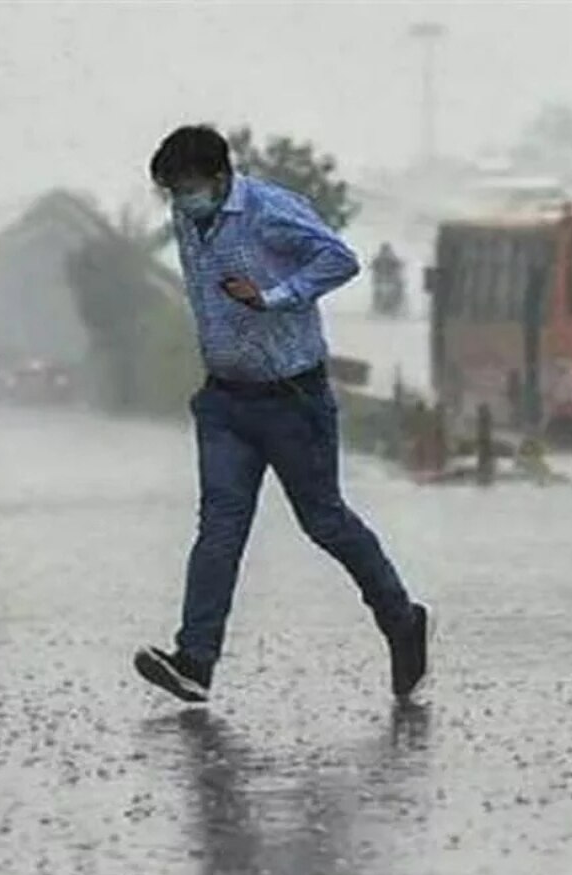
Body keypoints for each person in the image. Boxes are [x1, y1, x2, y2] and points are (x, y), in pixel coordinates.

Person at [133, 125, 430, 704]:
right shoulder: (187, 221)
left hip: (293, 399)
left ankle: (403, 622)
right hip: (224, 401)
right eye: (172, 191)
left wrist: (274, 296)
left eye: (188, 187)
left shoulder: (269, 211)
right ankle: (195, 659)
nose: (180, 200)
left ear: (220, 179)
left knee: (325, 522)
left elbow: (340, 259)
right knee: (219, 528)